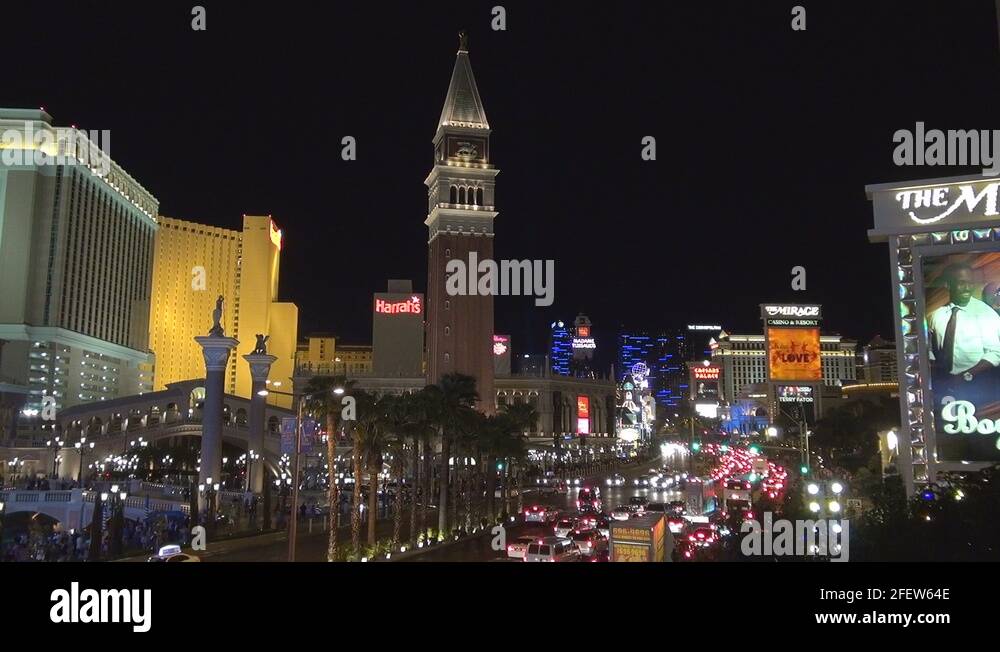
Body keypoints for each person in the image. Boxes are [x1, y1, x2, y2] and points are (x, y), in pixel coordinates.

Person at [928, 263, 1000, 408]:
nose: (968, 288)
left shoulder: (985, 314)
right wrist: (937, 373)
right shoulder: (936, 316)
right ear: (948, 285)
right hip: (945, 389)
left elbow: (995, 353)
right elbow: (930, 350)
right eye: (962, 283)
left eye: (970, 283)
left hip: (979, 387)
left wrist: (966, 376)